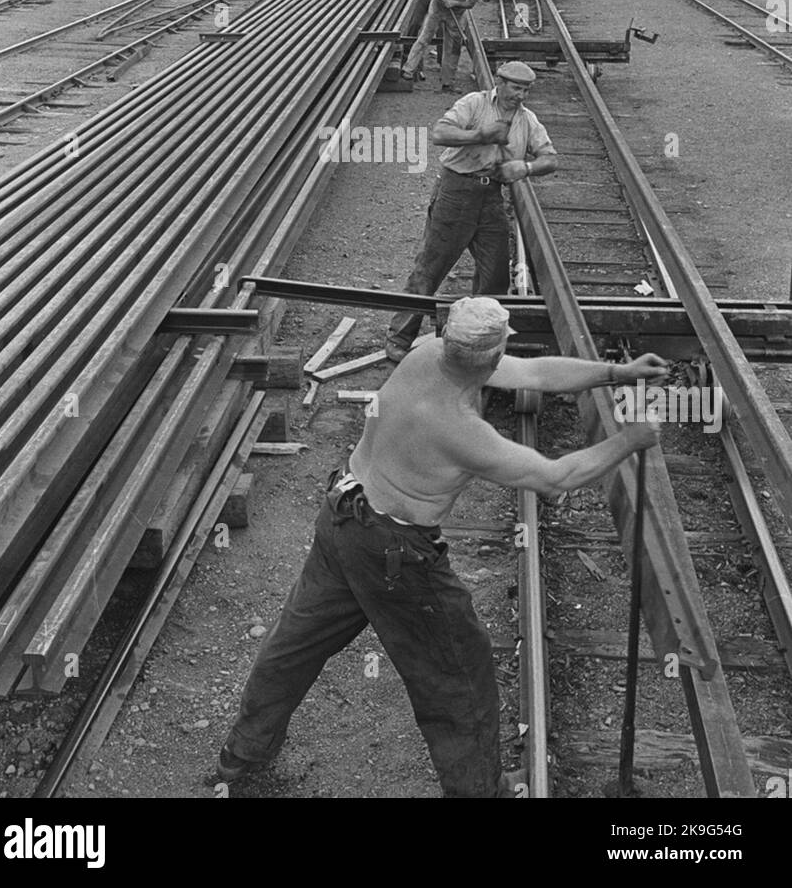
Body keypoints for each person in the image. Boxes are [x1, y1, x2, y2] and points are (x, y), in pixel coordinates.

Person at [213, 295, 668, 799]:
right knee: (458, 675)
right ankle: (481, 792)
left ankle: (242, 756)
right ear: (490, 358)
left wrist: (616, 372)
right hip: (394, 556)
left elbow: (534, 373)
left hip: (342, 514)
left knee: (294, 646)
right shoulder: (462, 431)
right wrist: (629, 440)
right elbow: (557, 478)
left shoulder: (426, 353)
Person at [386, 61, 556, 360]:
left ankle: (480, 343)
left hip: (491, 197)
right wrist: (480, 136)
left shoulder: (527, 120)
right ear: (500, 83)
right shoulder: (474, 104)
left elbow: (550, 159)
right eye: (516, 88)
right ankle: (399, 337)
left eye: (526, 90)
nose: (521, 95)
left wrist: (526, 166)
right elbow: (440, 133)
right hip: (456, 192)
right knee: (430, 267)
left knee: (495, 275)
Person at [400, 0, 493, 93]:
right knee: (425, 38)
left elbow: (470, 4)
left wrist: (455, 3)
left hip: (455, 14)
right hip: (438, 7)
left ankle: (447, 83)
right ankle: (408, 70)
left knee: (453, 47)